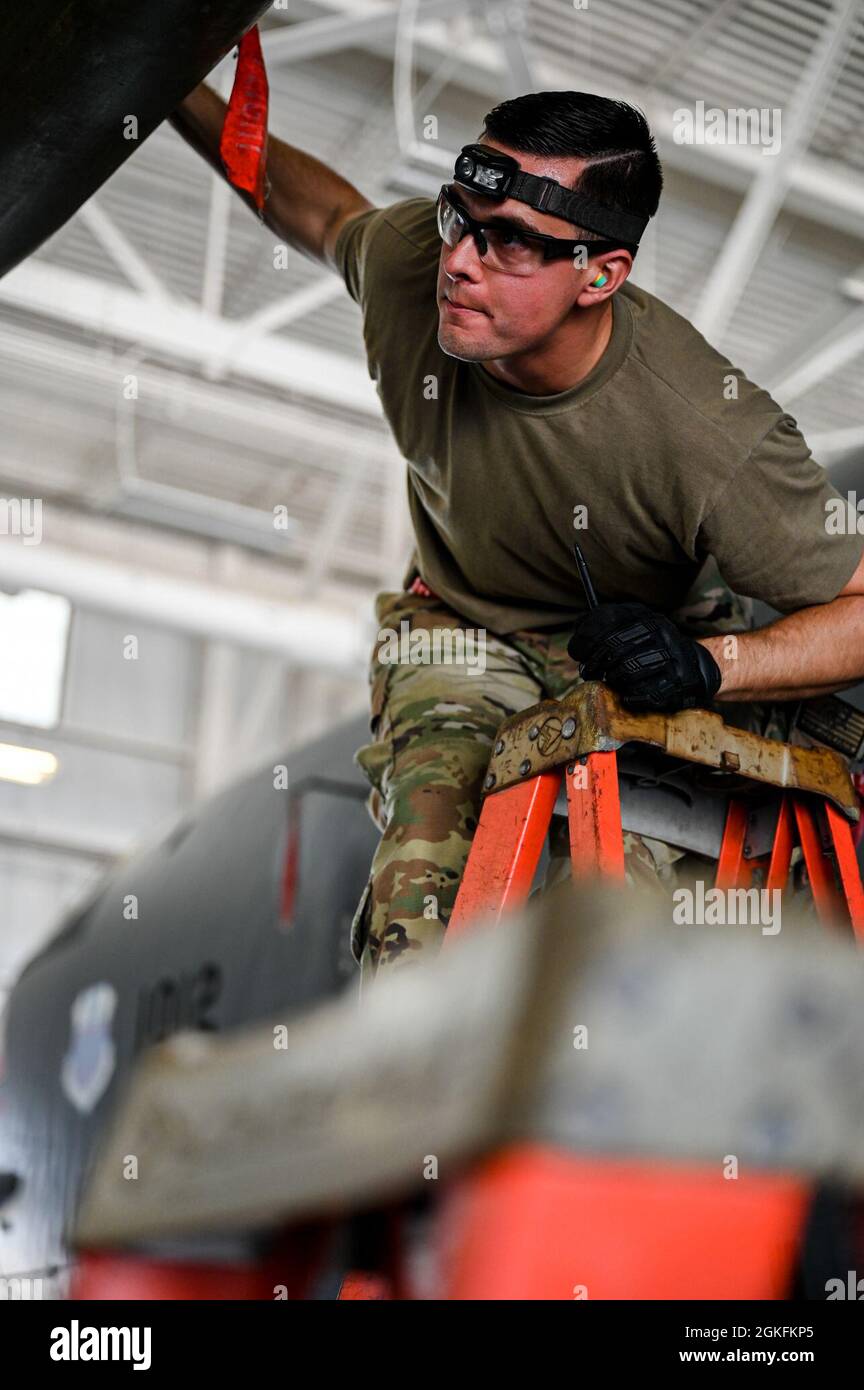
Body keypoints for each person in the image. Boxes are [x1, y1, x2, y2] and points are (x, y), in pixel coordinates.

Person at [170, 87, 864, 988]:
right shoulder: (409, 263)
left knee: (617, 946)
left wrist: (711, 665)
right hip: (460, 625)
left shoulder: (708, 431)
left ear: (600, 274)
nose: (459, 261)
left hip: (641, 649)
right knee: (422, 909)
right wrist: (171, 90)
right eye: (458, 217)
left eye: (508, 240)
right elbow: (315, 205)